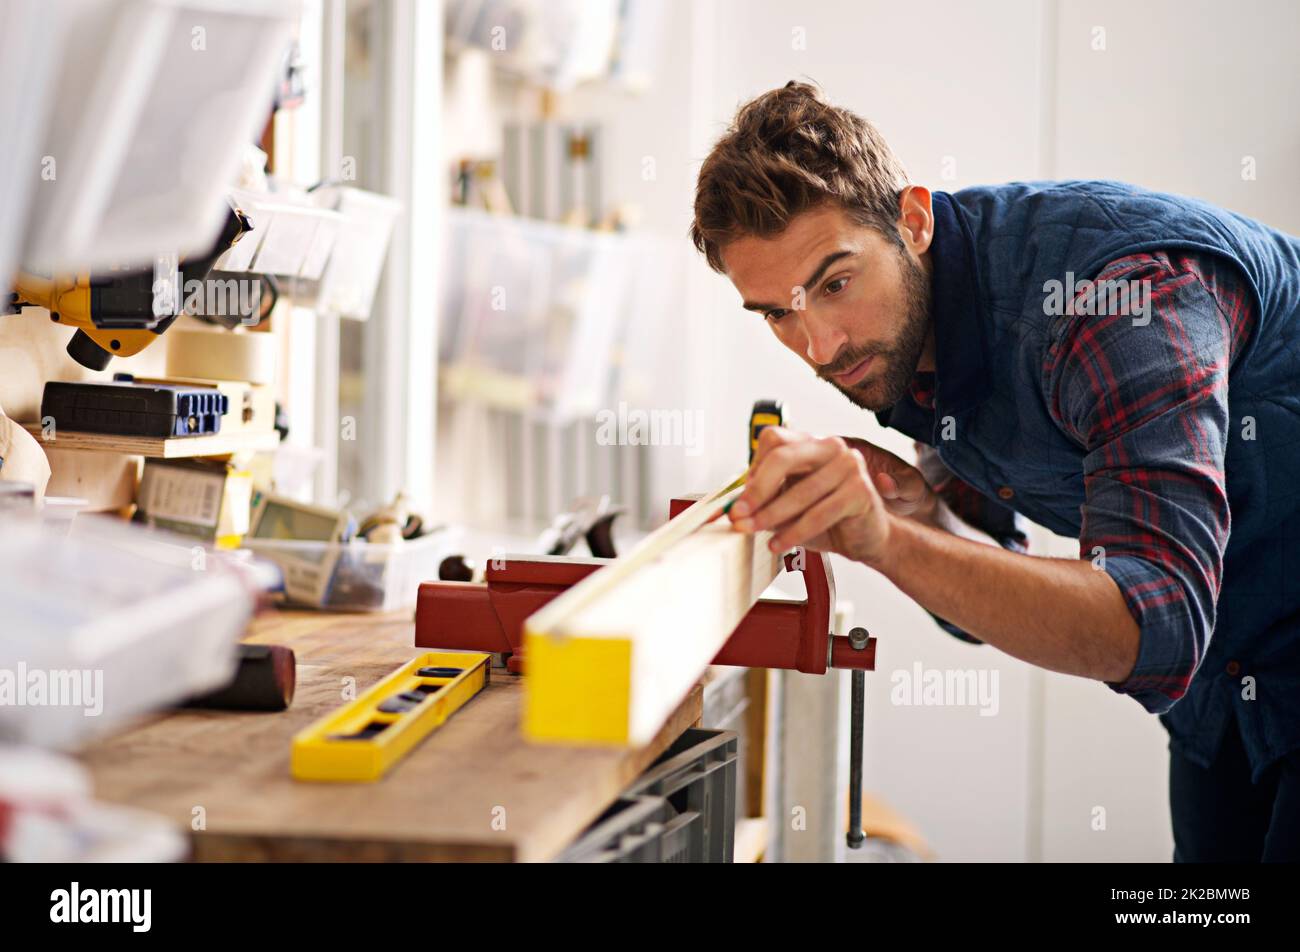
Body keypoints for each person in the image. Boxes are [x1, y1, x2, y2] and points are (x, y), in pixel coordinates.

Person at [691, 80, 1300, 862]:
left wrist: (886, 542)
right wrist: (919, 520)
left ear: (911, 221)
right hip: (1235, 676)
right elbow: (988, 573)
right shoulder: (907, 338)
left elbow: (1157, 626)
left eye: (836, 284)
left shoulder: (1118, 305)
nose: (820, 347)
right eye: (778, 312)